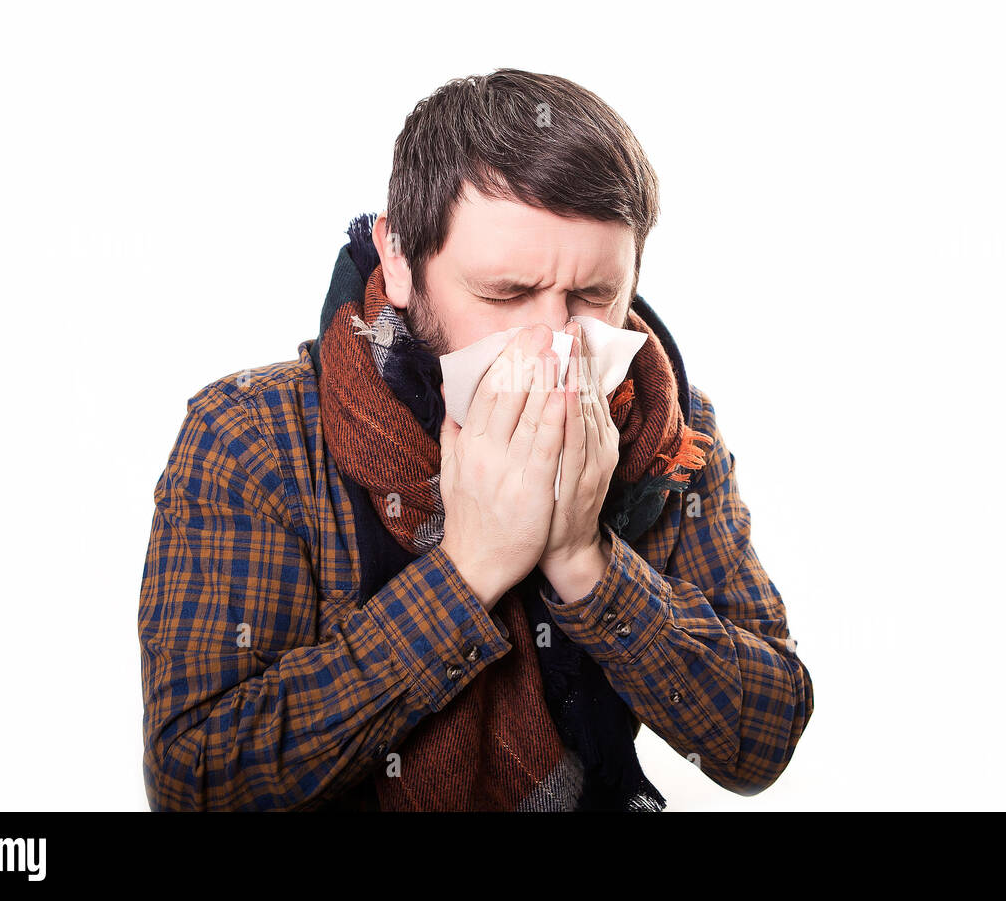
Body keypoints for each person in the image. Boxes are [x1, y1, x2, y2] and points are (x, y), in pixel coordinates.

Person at [137, 68, 814, 811]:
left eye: (592, 297)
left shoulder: (669, 429)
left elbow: (761, 738)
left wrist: (584, 559)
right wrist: (470, 570)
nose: (555, 341)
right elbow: (199, 782)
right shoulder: (253, 439)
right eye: (504, 294)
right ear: (399, 261)